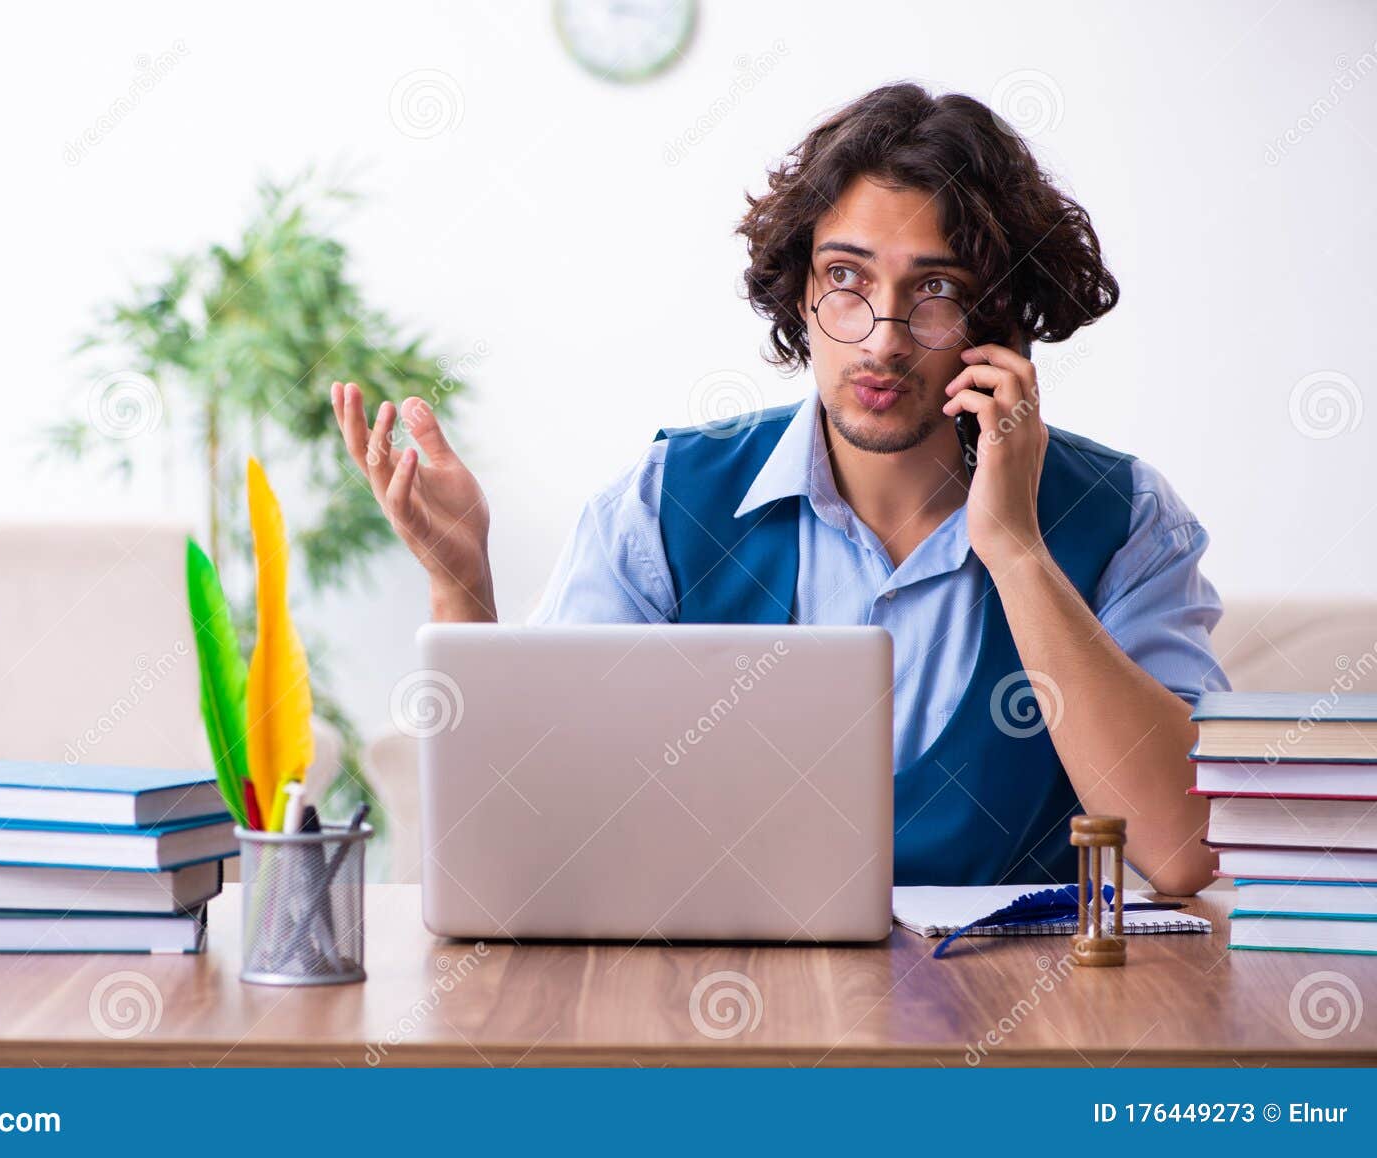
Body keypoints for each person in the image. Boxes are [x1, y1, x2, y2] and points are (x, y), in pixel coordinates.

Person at [331, 83, 1228, 895]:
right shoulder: (663, 505)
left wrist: (1019, 552)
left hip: (1014, 1035)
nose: (881, 340)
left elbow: (1186, 848)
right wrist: (461, 589)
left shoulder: (1126, 520)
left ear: (994, 321)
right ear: (800, 292)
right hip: (718, 1028)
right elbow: (527, 827)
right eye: (847, 279)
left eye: (937, 290)